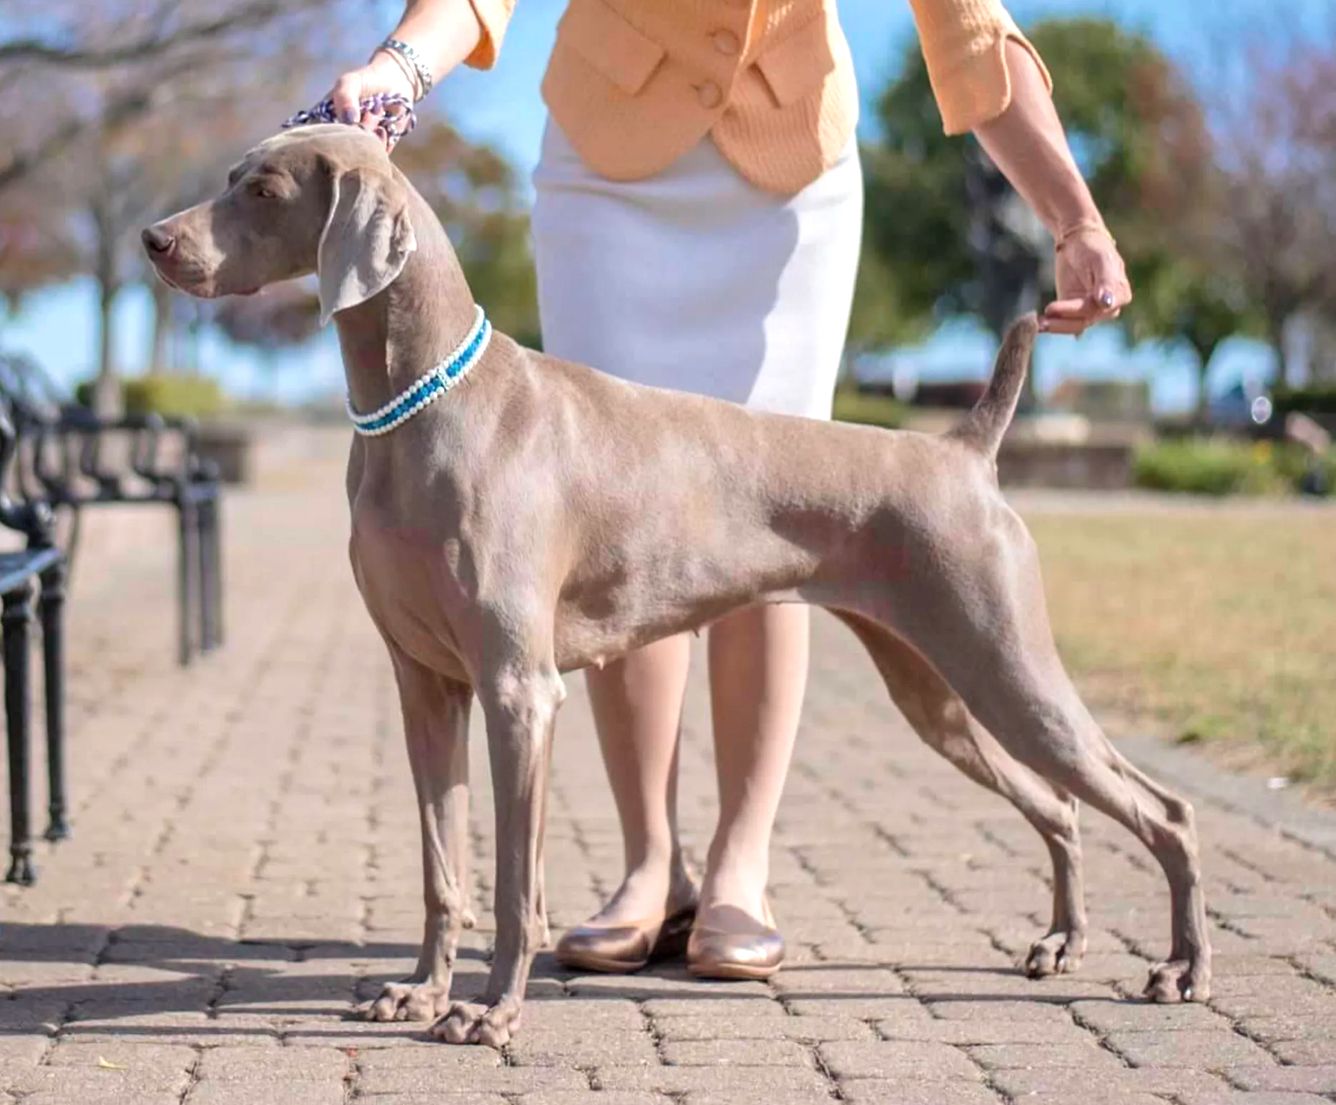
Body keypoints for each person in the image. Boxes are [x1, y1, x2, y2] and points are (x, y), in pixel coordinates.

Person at [329, 0, 1131, 981]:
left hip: (788, 174)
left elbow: (967, 27)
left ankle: (741, 866)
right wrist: (402, 69)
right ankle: (647, 867)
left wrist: (1073, 215)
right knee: (610, 514)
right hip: (608, 166)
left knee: (778, 518)